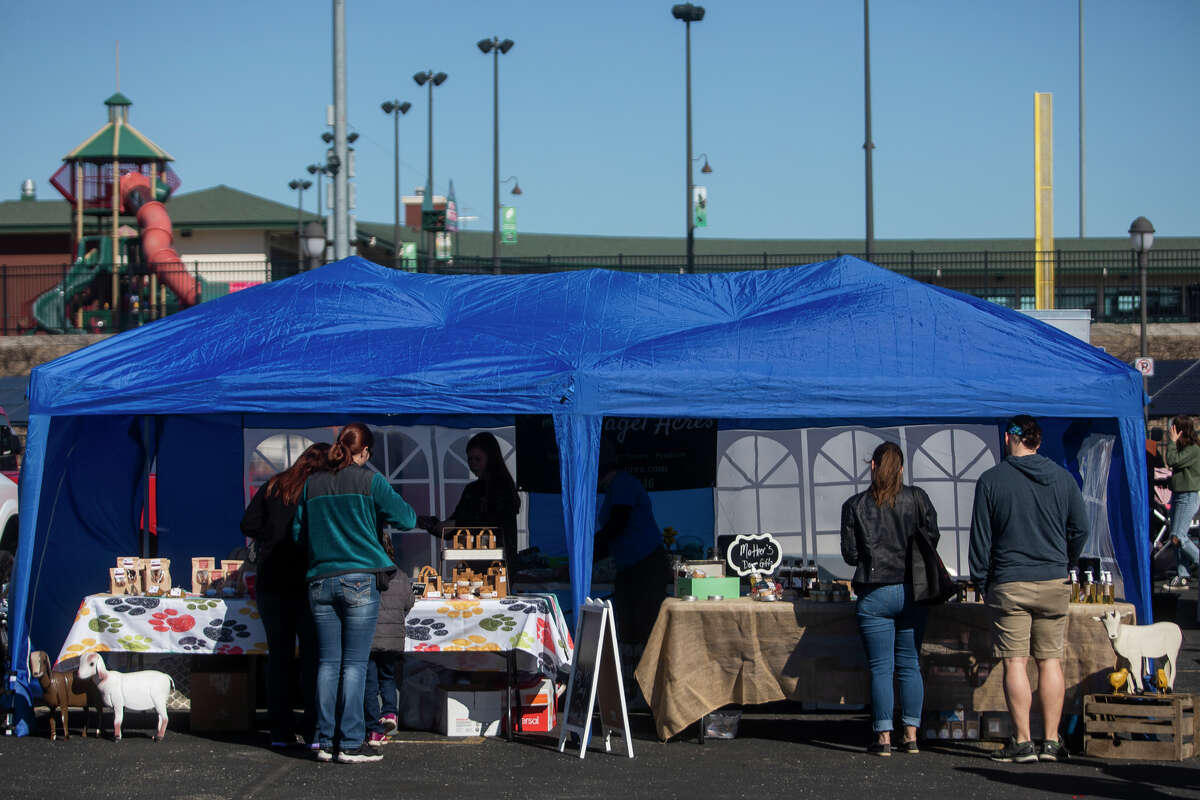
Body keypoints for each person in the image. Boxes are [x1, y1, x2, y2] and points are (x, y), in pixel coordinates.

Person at [293, 422, 417, 764]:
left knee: (328, 663)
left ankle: (323, 738)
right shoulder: (369, 481)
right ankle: (349, 743)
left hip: (320, 580)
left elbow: (298, 533)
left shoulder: (312, 484)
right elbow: (407, 518)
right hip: (360, 579)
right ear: (364, 452)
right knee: (355, 664)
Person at [969, 415, 1088, 764]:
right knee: (1051, 661)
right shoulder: (1063, 479)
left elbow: (981, 539)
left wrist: (981, 581)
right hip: (1053, 580)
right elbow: (1080, 528)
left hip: (1009, 582)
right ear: (1038, 440)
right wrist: (1065, 559)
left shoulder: (992, 480)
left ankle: (1022, 742)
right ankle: (1051, 742)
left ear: (1010, 438)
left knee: (1015, 662)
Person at [840, 441, 938, 756]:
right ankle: (910, 735)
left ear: (872, 466)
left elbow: (850, 554)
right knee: (909, 665)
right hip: (913, 590)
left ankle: (883, 738)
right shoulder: (918, 499)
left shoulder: (854, 505)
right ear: (901, 469)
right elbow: (931, 539)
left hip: (875, 592)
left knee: (881, 668)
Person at [240, 442, 329, 749]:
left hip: (271, 581)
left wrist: (270, 537)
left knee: (278, 657)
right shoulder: (316, 490)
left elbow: (247, 523)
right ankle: (314, 729)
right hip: (307, 581)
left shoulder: (274, 484)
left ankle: (280, 731)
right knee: (312, 657)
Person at [594, 445, 668, 652]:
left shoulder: (623, 484)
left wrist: (587, 556)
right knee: (629, 629)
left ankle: (643, 681)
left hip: (646, 566)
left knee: (645, 629)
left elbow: (617, 524)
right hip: (631, 567)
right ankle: (630, 680)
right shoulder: (616, 486)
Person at [420, 432, 521, 561]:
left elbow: (494, 521)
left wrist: (456, 524)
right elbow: (454, 526)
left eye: (478, 459)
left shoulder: (503, 487)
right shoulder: (471, 490)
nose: (473, 464)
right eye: (470, 459)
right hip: (473, 565)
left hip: (500, 564)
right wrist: (433, 525)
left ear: (491, 459)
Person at [363, 528, 413, 748]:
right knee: (389, 678)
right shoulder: (401, 576)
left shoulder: (364, 576)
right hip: (393, 640)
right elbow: (409, 602)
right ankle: (390, 713)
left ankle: (374, 729)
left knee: (369, 684)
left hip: (370, 639)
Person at [1161, 415, 1200, 589]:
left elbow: (1171, 460)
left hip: (1188, 496)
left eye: (1173, 429)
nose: (1171, 433)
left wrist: (1171, 442)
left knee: (1179, 536)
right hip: (1178, 495)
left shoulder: (1193, 449)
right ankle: (1183, 575)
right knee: (1174, 537)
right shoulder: (1184, 449)